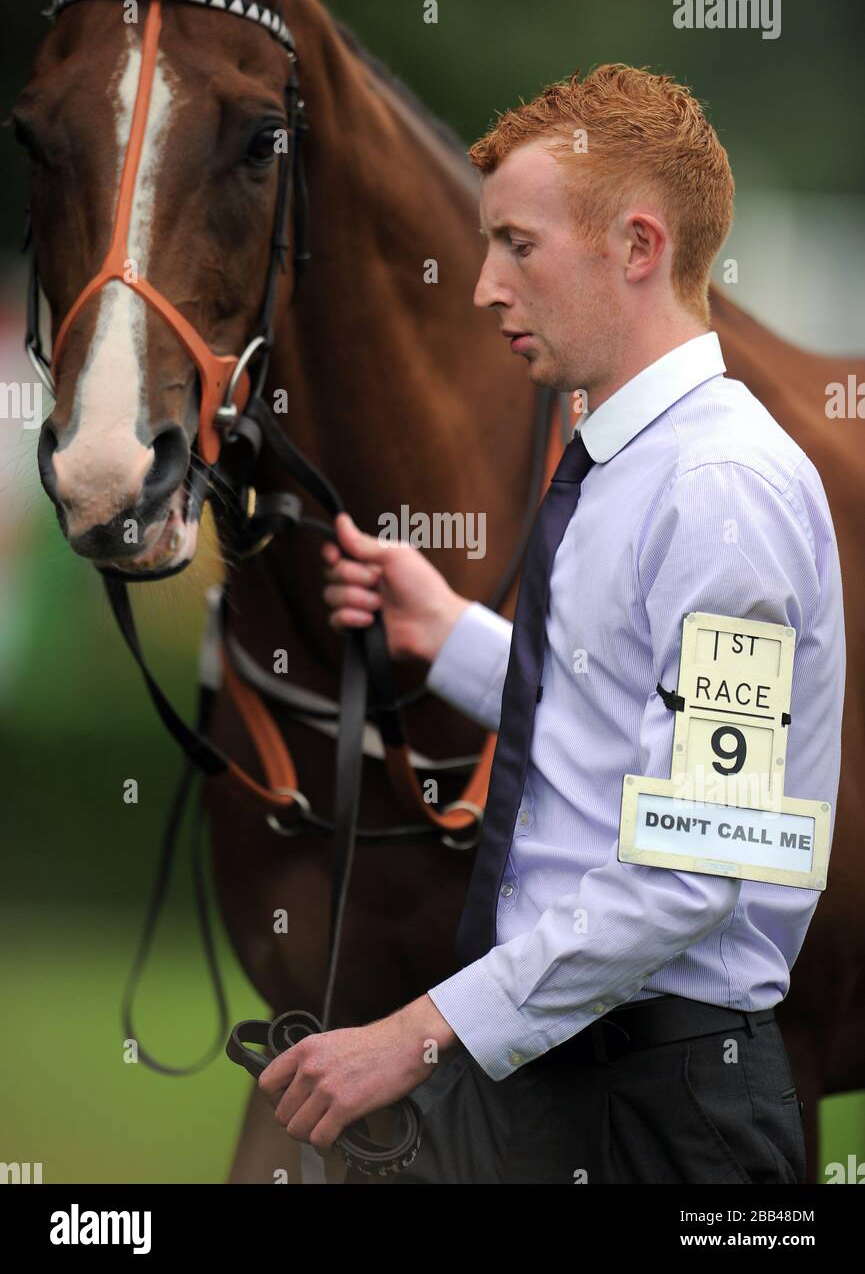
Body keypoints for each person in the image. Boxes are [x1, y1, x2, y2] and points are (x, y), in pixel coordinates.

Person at [257, 63, 845, 1184]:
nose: (482, 287)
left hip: (665, 1117)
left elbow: (693, 871)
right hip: (557, 1077)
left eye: (515, 245)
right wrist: (447, 629)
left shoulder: (723, 490)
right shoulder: (629, 463)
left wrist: (417, 1028)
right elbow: (602, 719)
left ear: (636, 247)